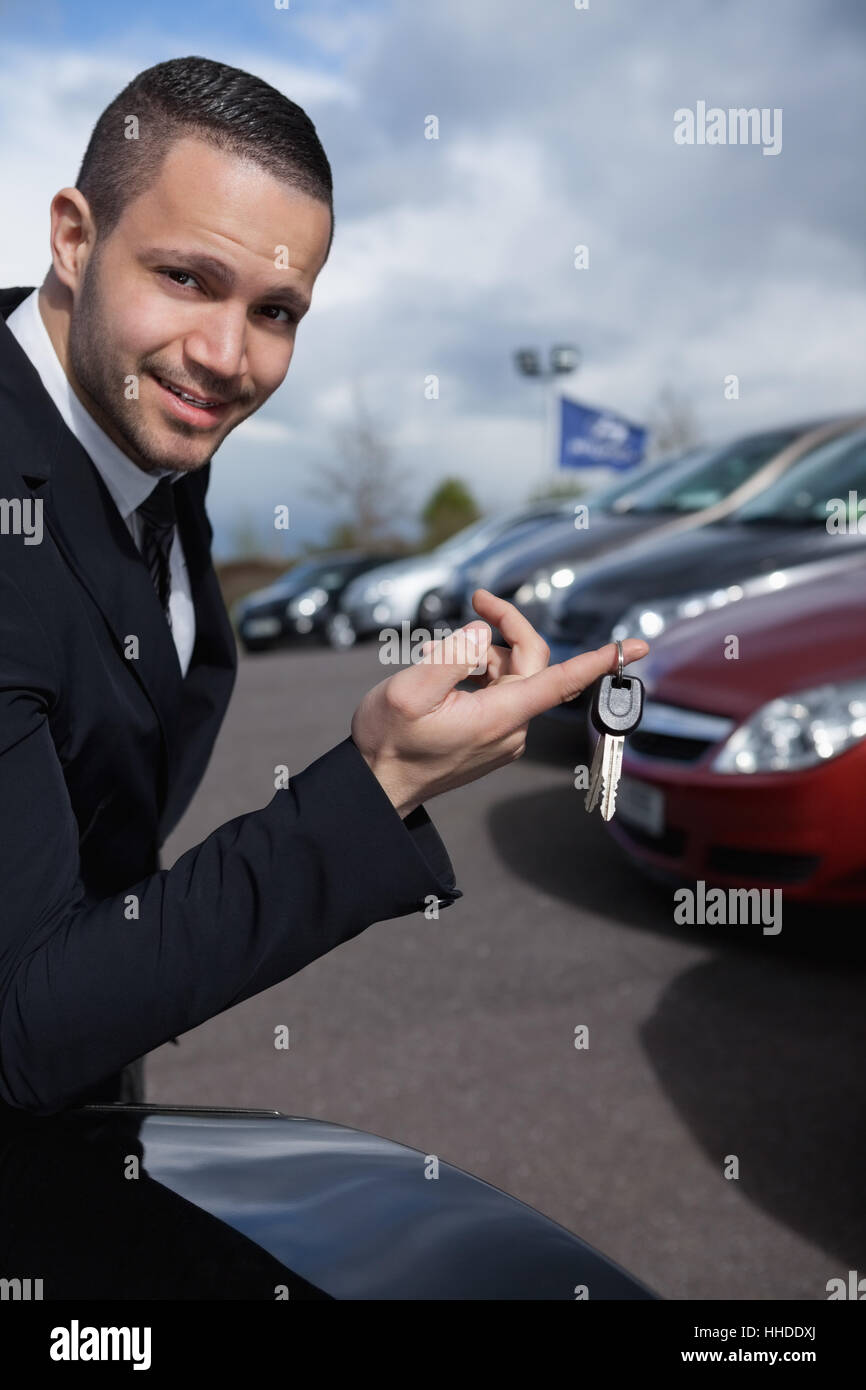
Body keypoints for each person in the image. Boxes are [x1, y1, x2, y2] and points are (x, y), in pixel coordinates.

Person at [0, 56, 647, 1116]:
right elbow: (18, 1025)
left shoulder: (133, 419)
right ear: (74, 237)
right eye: (186, 278)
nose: (225, 356)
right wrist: (379, 776)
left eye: (276, 311)